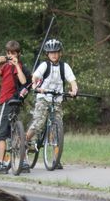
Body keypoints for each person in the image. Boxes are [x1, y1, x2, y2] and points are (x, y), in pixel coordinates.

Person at [26, 38, 78, 170]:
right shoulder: (44, 65)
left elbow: (72, 81)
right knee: (39, 123)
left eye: (56, 52)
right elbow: (35, 77)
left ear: (60, 53)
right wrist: (36, 86)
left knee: (57, 128)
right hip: (44, 98)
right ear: (47, 54)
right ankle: (24, 142)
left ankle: (56, 159)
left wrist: (74, 90)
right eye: (51, 52)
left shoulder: (64, 66)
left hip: (57, 100)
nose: (54, 54)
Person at [0, 40, 30, 173]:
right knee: (13, 132)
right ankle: (20, 162)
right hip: (6, 101)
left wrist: (17, 65)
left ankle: (1, 163)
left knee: (2, 134)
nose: (10, 55)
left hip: (10, 101)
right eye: (8, 53)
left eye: (13, 53)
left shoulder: (20, 67)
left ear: (18, 54)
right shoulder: (5, 66)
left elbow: (23, 81)